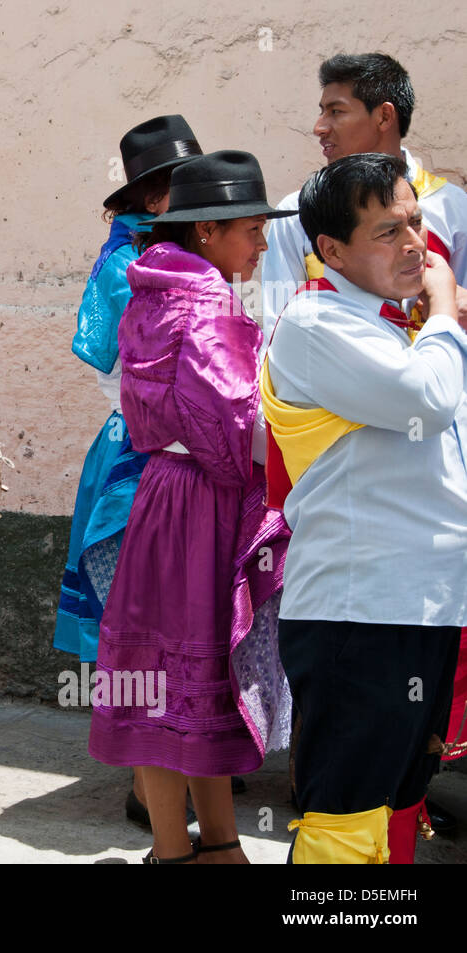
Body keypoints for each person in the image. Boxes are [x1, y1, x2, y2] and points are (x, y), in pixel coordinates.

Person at [261, 52, 467, 835]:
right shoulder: (319, 323)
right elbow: (429, 397)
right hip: (362, 611)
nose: (415, 243)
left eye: (416, 221)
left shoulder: (399, 323)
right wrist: (447, 307)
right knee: (345, 824)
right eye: (388, 231)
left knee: (394, 810)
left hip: (421, 601)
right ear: (333, 253)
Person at [88, 151, 294, 863]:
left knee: (169, 676)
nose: (263, 245)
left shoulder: (155, 293)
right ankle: (179, 851)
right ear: (206, 232)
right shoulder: (207, 309)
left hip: (164, 498)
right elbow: (239, 425)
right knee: (191, 672)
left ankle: (210, 842)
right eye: (251, 230)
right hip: (204, 501)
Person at [55, 115, 201, 829]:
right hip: (138, 464)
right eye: (180, 186)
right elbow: (121, 370)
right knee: (143, 625)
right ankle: (152, 784)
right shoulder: (128, 268)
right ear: (150, 199)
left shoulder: (197, 254)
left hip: (193, 459)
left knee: (191, 627)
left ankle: (181, 773)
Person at [263, 53, 467, 314]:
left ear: (383, 116)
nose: (319, 127)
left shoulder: (452, 206)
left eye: (336, 111)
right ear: (329, 249)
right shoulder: (296, 213)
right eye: (389, 231)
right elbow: (279, 324)